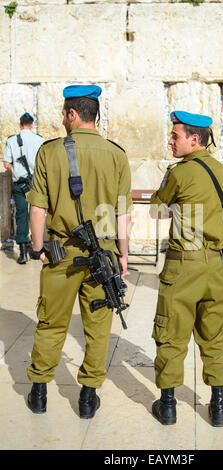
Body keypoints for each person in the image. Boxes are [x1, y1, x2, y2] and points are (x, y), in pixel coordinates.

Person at [26, 85, 132, 419]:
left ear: (72, 114)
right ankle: (88, 397)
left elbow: (38, 209)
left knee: (51, 323)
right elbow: (123, 214)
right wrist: (123, 255)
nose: (62, 119)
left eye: (63, 113)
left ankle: (39, 392)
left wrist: (39, 248)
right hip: (104, 254)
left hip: (60, 254)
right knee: (98, 326)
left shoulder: (49, 152)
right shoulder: (117, 155)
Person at [150, 111, 223, 427]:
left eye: (175, 136)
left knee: (170, 335)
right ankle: (219, 407)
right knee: (213, 337)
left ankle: (168, 405)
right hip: (214, 266)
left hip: (183, 266)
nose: (170, 141)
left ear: (194, 139)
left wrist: (166, 188)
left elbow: (159, 211)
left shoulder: (179, 173)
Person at [3, 113, 44, 264]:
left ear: (20, 125)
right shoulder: (40, 140)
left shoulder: (12, 140)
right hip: (37, 184)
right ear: (32, 125)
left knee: (21, 215)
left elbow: (7, 163)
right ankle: (37, 250)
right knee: (38, 214)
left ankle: (22, 253)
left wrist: (14, 173)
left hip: (20, 184)